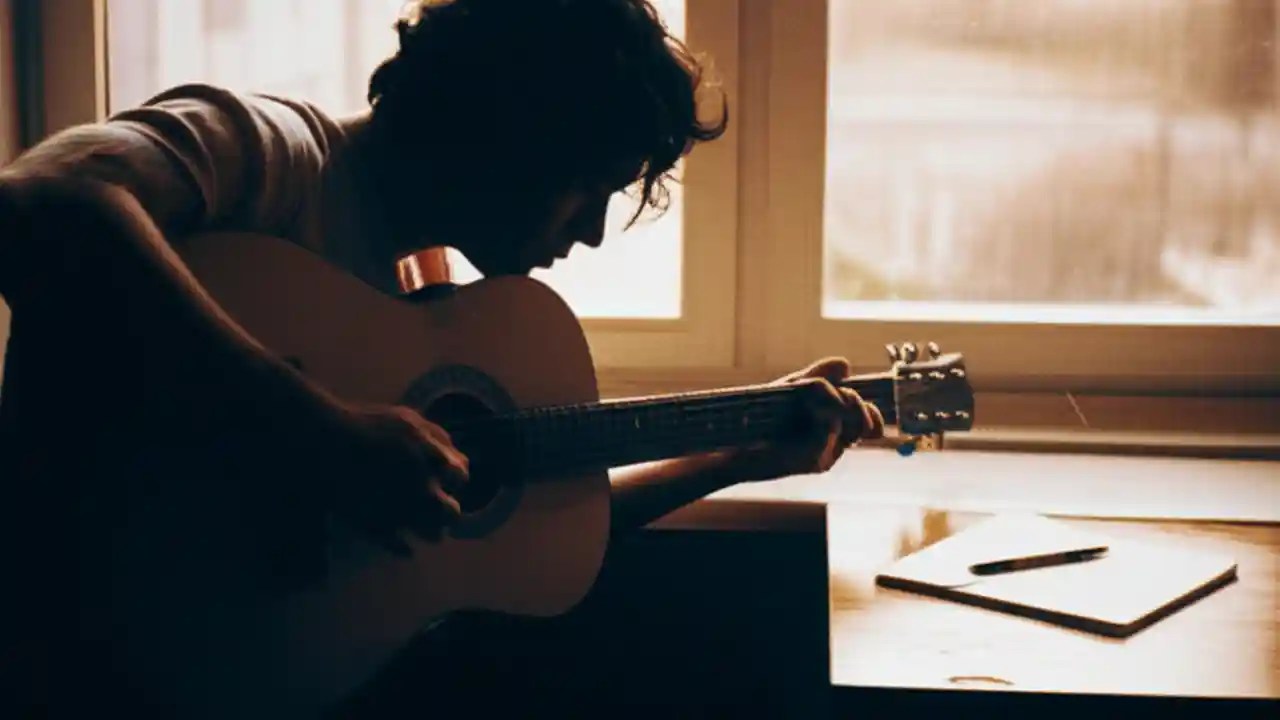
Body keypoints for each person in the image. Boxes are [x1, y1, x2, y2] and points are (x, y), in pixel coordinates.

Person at [0, 0, 884, 713]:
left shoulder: (418, 282)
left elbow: (500, 533)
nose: (593, 230)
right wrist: (312, 427)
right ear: (515, 133)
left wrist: (742, 456)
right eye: (590, 188)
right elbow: (42, 197)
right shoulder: (276, 157)